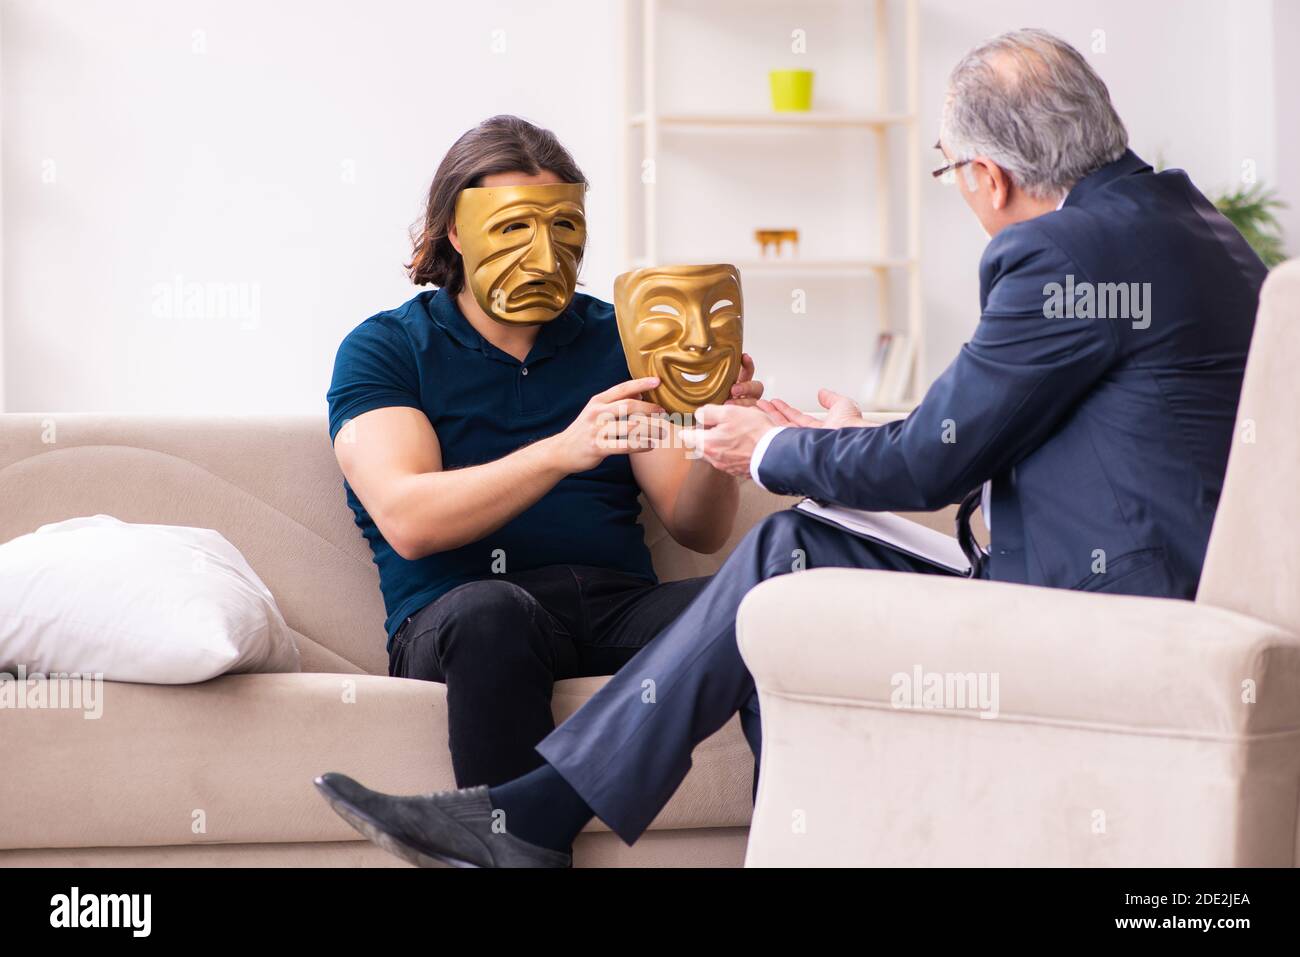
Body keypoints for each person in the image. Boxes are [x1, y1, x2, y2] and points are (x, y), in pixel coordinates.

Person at [316, 30, 1267, 868]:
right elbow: (1028, 430)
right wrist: (842, 440)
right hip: (1153, 593)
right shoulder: (1203, 235)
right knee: (776, 569)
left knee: (785, 560)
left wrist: (768, 447)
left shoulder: (1066, 255)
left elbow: (929, 460)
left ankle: (530, 818)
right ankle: (536, 819)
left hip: (1103, 612)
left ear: (989, 175)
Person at [325, 114, 763, 791]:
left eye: (563, 228)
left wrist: (717, 431)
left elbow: (696, 525)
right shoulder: (387, 348)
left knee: (769, 608)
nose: (544, 253)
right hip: (463, 616)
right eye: (513, 227)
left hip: (614, 605)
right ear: (455, 231)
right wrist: (562, 450)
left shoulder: (616, 336)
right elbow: (410, 519)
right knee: (493, 613)